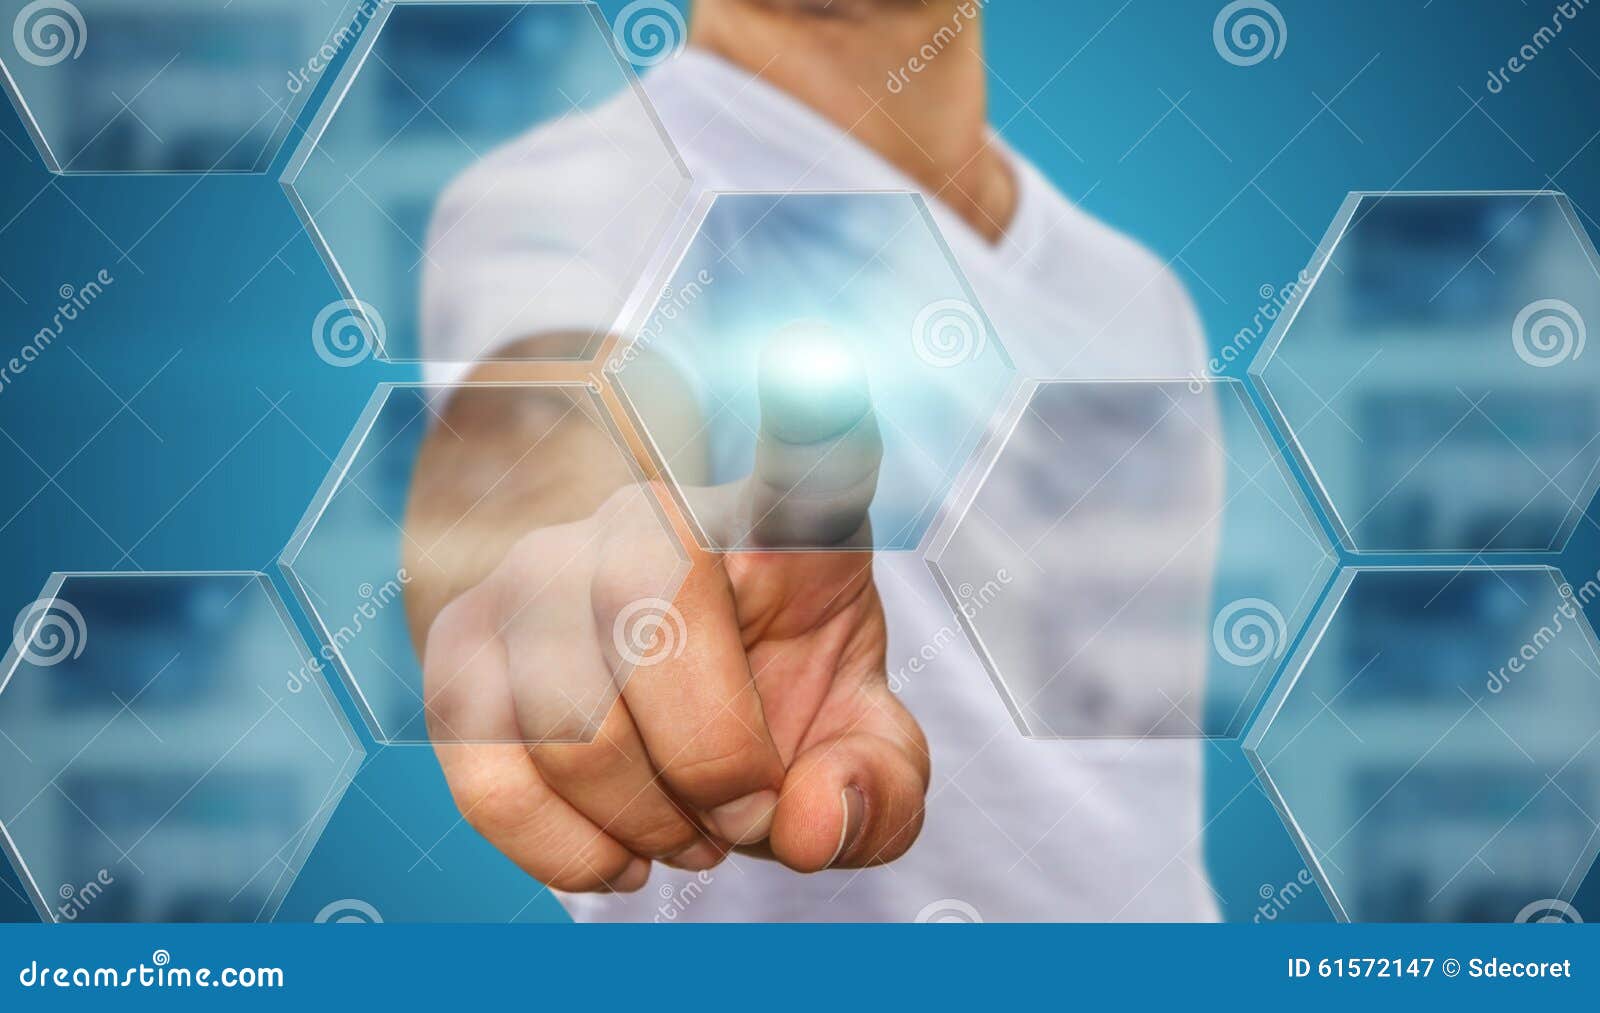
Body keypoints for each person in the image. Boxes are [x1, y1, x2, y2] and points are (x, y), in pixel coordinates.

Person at [407, 0, 1219, 922]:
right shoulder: (570, 194)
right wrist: (575, 584)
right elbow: (544, 421)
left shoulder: (1139, 294)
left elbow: (1130, 757)